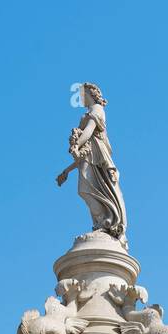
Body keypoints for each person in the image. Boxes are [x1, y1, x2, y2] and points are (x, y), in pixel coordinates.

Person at [55, 83, 127, 242]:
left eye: (83, 95)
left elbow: (88, 131)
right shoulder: (89, 112)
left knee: (85, 189)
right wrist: (66, 171)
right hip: (91, 156)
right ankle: (100, 223)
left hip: (99, 157)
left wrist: (76, 144)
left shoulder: (97, 109)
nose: (81, 98)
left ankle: (105, 223)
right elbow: (83, 155)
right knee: (85, 190)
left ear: (91, 95)